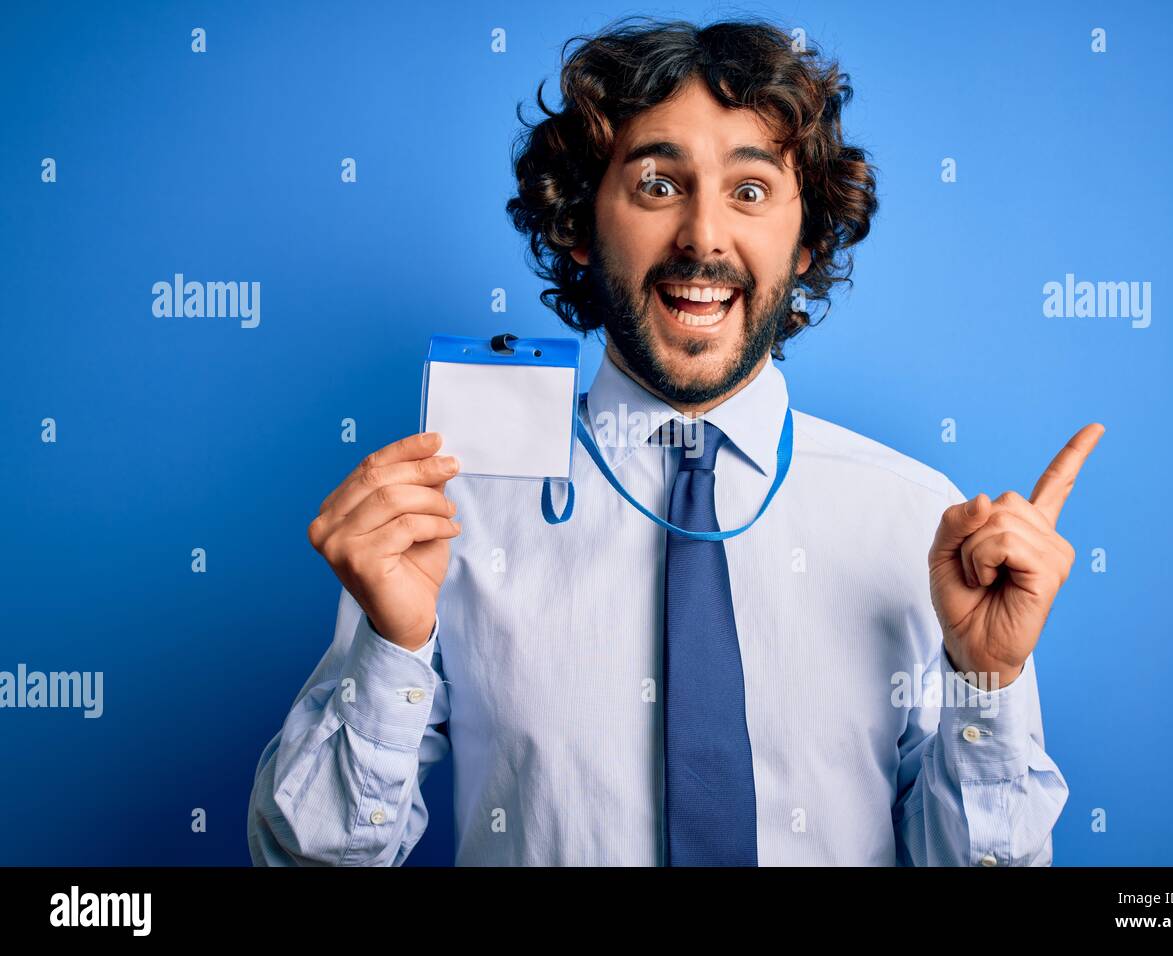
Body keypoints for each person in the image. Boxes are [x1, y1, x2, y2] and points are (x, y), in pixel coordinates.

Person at [247, 16, 1101, 866]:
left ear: (807, 243)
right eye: (658, 185)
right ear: (580, 223)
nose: (702, 236)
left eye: (752, 190)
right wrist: (391, 646)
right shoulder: (451, 519)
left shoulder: (918, 523)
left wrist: (986, 682)